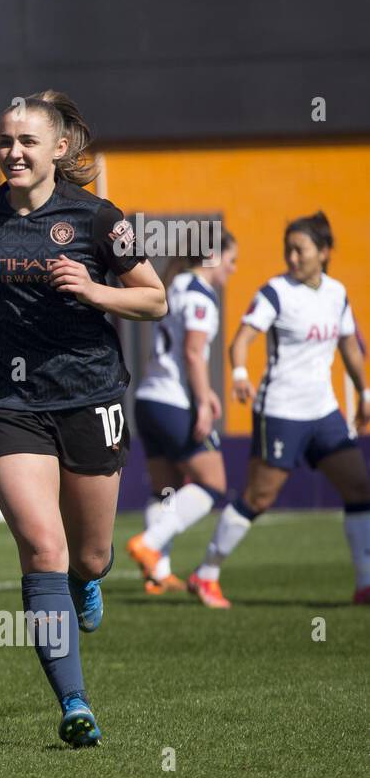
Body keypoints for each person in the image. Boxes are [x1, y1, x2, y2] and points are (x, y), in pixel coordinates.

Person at [0, 90, 167, 747]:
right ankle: (75, 701)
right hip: (6, 398)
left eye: (27, 141)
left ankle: (89, 580)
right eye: (5, 142)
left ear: (60, 149)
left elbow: (154, 298)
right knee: (43, 547)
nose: (13, 152)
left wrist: (93, 290)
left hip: (89, 394)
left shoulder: (96, 219)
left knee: (88, 553)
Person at [187, 211, 370, 606]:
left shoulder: (337, 294)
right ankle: (206, 573)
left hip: (324, 411)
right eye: (287, 250)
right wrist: (238, 373)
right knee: (259, 498)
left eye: (299, 250)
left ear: (323, 252)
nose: (291, 258)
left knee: (359, 488)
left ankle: (365, 583)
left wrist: (364, 393)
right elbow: (241, 340)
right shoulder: (275, 292)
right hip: (281, 409)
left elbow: (350, 349)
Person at [126, 231, 238, 592]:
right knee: (212, 484)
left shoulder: (172, 285)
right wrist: (204, 400)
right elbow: (193, 353)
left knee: (166, 489)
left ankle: (157, 573)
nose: (233, 269)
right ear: (212, 256)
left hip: (148, 399)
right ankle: (149, 544)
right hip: (174, 401)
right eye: (231, 260)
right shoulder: (199, 295)